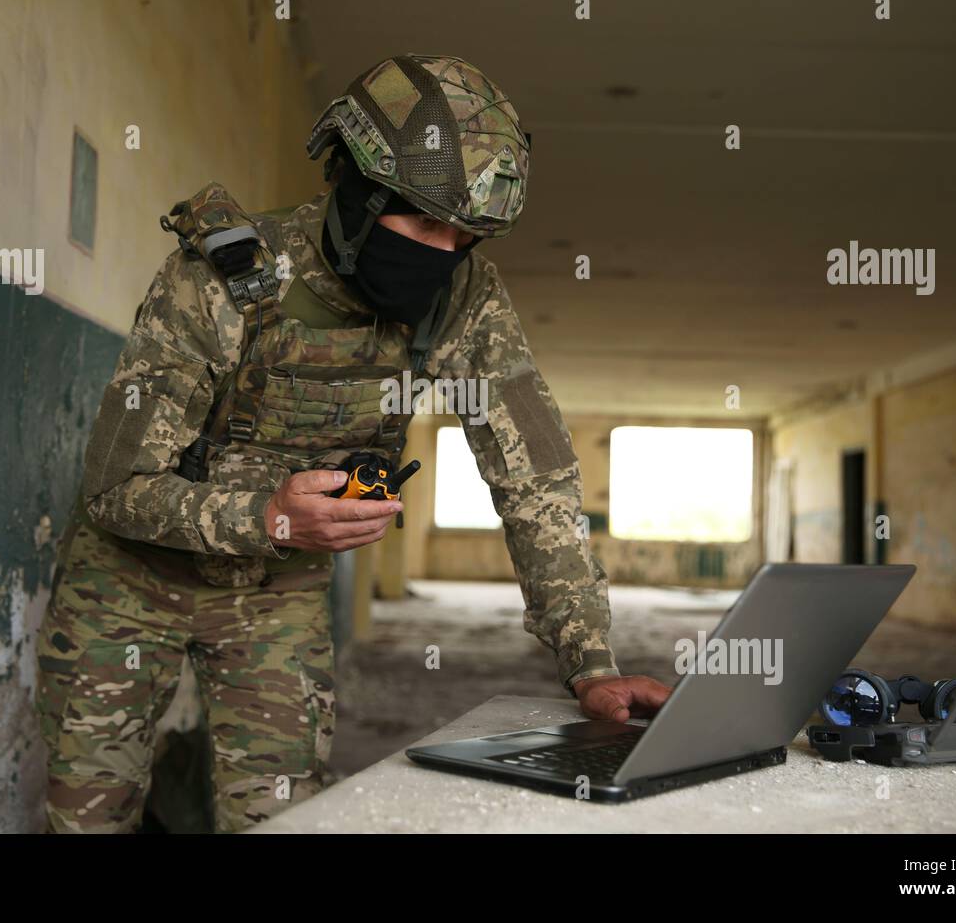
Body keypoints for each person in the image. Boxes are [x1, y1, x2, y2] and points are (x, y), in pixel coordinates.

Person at [35, 54, 669, 833]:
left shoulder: (466, 300)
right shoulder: (222, 278)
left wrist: (591, 664)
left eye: (465, 235)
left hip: (274, 597)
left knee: (281, 822)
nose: (442, 252)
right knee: (86, 821)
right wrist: (268, 518)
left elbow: (533, 481)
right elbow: (114, 490)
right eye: (424, 222)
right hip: (126, 587)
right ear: (357, 190)